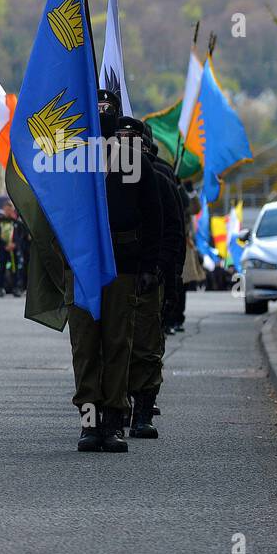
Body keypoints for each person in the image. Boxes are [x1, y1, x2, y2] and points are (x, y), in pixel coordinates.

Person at [70, 96, 162, 453]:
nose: (105, 118)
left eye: (109, 112)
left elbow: (153, 218)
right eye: (98, 112)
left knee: (117, 342)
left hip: (122, 264)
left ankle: (112, 421)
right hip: (83, 266)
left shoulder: (136, 164)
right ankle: (90, 422)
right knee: (85, 346)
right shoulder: (75, 163)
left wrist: (149, 267)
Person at [127, 125, 185, 439]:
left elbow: (173, 235)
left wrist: (165, 275)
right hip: (117, 272)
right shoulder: (106, 177)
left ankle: (143, 411)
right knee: (113, 343)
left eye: (132, 142)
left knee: (146, 346)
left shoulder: (160, 182)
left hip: (149, 275)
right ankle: (114, 406)